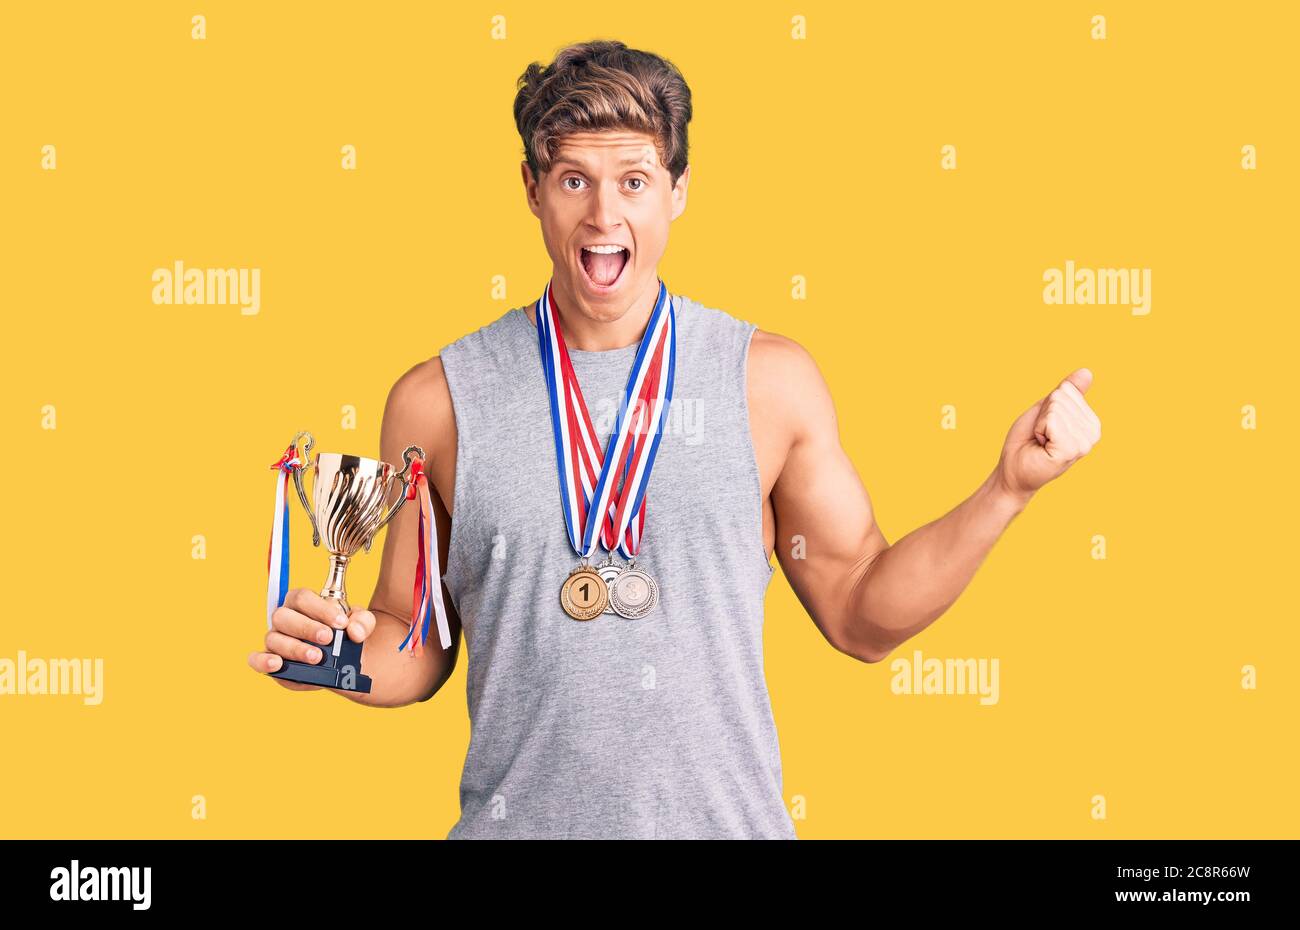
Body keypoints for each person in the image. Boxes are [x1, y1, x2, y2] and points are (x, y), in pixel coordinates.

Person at [248, 39, 1101, 839]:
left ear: (679, 191)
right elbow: (418, 641)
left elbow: (861, 614)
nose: (602, 213)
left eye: (634, 180)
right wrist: (341, 660)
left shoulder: (769, 382)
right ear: (531, 189)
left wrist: (1006, 490)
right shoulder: (437, 401)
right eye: (574, 180)